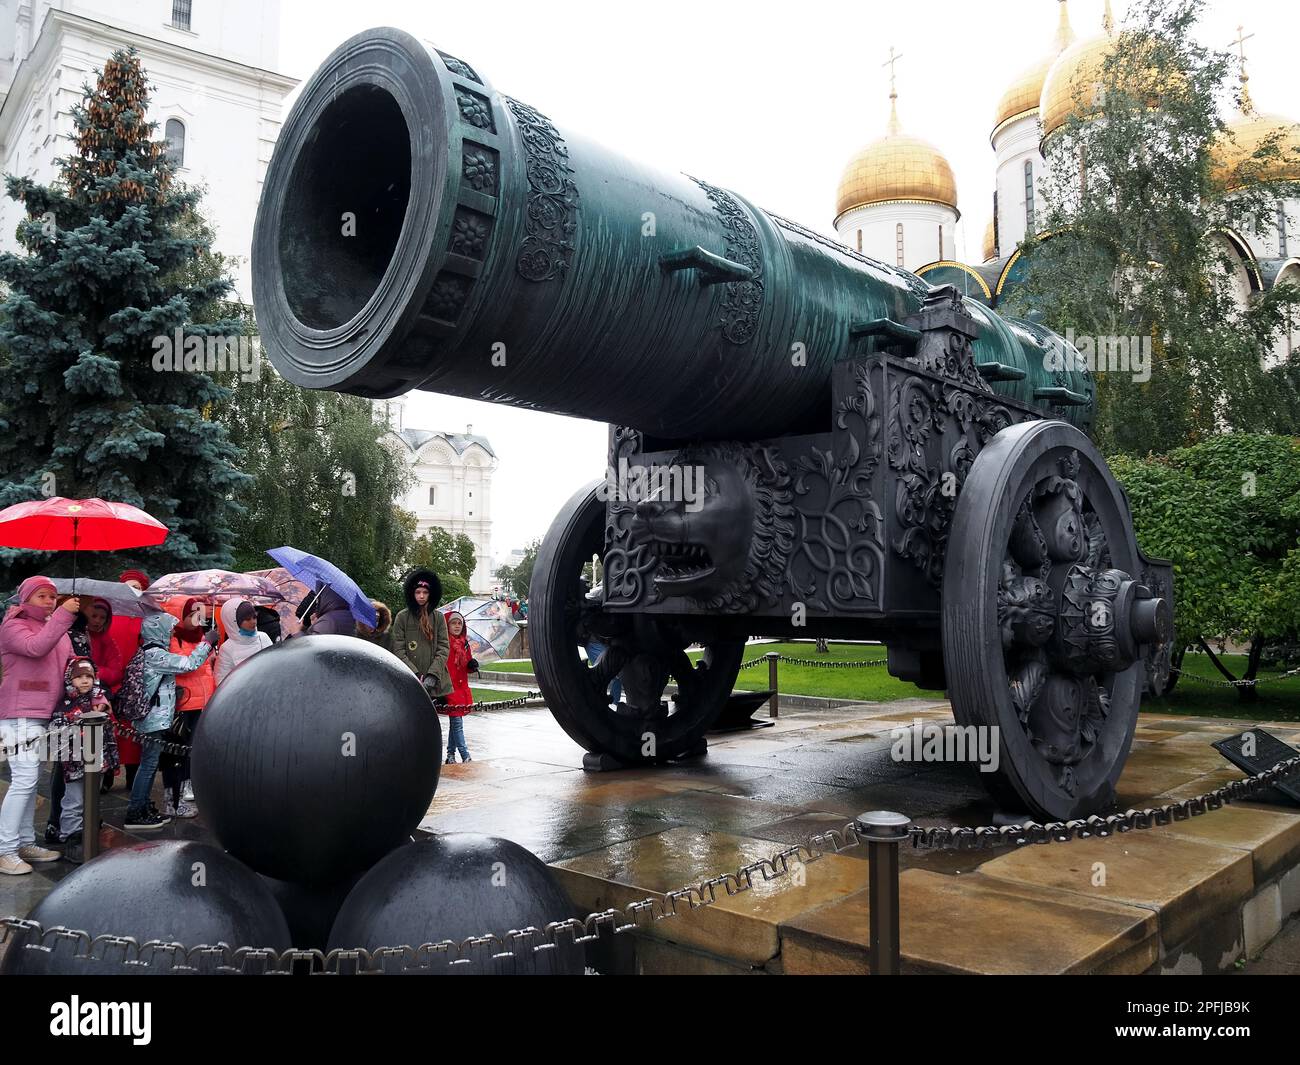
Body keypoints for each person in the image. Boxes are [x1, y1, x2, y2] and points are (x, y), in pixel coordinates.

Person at [0, 577, 78, 875]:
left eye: (52, 596)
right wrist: (62, 615)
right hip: (18, 713)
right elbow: (35, 648)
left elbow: (69, 661)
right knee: (24, 779)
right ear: (26, 598)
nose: (48, 601)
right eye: (42, 596)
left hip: (43, 712)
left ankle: (23, 842)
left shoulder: (55, 627)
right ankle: (4, 849)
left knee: (31, 782)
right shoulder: (13, 624)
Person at [124, 611, 218, 831]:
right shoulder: (156, 654)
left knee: (148, 763)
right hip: (153, 720)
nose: (169, 632)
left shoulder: (148, 651)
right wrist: (207, 643)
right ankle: (136, 811)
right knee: (148, 765)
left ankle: (143, 806)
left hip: (153, 718)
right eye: (167, 629)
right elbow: (188, 664)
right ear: (158, 631)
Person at [48, 658, 118, 848]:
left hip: (98, 760)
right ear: (70, 680)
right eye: (79, 677)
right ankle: (71, 834)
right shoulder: (65, 705)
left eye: (89, 676)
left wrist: (111, 760)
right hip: (75, 763)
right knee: (75, 800)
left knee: (91, 798)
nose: (85, 681)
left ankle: (88, 830)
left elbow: (109, 734)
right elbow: (57, 736)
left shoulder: (99, 701)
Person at [163, 598, 216, 816]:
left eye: (199, 614)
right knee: (176, 752)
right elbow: (184, 665)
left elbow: (205, 670)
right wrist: (206, 646)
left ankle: (186, 789)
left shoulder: (199, 637)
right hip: (183, 703)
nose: (197, 619)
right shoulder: (173, 638)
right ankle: (171, 800)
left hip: (201, 702)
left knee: (191, 750)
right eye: (192, 614)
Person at [107, 569, 150, 791]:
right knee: (108, 729)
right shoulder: (108, 613)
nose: (132, 591)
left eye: (137, 587)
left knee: (133, 732)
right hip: (110, 678)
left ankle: (133, 776)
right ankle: (105, 777)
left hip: (134, 681)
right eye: (128, 586)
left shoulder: (145, 615)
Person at [83, 598, 124, 795]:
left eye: (102, 617)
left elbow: (116, 670)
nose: (97, 621)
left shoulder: (107, 640)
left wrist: (94, 671)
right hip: (78, 699)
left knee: (100, 747)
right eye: (94, 616)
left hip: (101, 698)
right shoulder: (77, 636)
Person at [391, 569, 451, 702]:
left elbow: (444, 648)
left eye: (425, 592)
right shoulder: (402, 617)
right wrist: (414, 674)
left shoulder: (438, 618)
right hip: (408, 678)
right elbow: (398, 649)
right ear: (412, 594)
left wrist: (432, 675)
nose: (421, 596)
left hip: (434, 683)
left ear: (431, 594)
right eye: (418, 592)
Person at [441, 610, 478, 763]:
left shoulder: (465, 643)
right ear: (447, 625)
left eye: (459, 624)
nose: (456, 626)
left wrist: (472, 665)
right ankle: (465, 755)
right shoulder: (444, 644)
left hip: (461, 688)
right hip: (449, 688)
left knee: (454, 723)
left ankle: (450, 755)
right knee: (457, 724)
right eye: (453, 623)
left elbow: (467, 665)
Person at [215, 599, 272, 684]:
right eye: (247, 619)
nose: (253, 622)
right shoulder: (227, 648)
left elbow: (273, 666)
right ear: (234, 622)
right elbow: (221, 682)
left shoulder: (264, 637)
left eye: (254, 617)